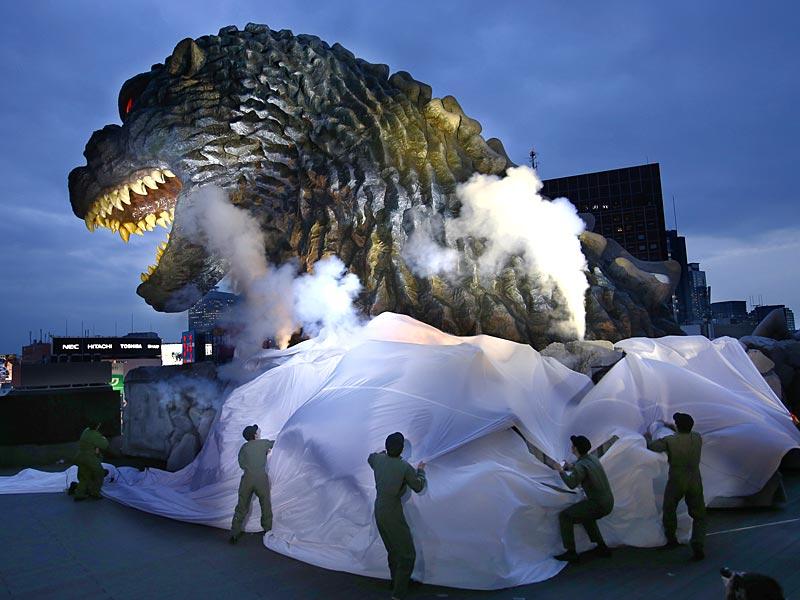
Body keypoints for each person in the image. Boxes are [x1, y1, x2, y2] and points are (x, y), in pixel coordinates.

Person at [368, 432, 427, 600]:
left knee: (392, 550)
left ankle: (396, 581)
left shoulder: (378, 460)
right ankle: (398, 594)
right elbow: (418, 487)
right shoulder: (404, 467)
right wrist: (421, 472)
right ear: (401, 449)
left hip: (379, 511)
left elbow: (370, 458)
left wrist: (382, 454)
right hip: (393, 514)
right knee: (407, 555)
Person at [646, 412, 706, 561]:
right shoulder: (697, 438)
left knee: (669, 509)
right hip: (695, 480)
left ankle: (671, 539)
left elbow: (652, 447)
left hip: (677, 480)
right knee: (699, 515)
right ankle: (698, 545)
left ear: (677, 426)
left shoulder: (670, 440)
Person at [554, 435, 614, 562]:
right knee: (586, 516)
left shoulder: (581, 465)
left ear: (575, 448)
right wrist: (570, 467)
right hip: (608, 501)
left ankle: (571, 552)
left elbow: (571, 484)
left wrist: (561, 471)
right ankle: (602, 547)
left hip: (598, 504)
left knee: (565, 516)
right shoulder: (592, 458)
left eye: (573, 445)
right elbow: (583, 467)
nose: (571, 446)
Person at [229, 424, 275, 544]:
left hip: (247, 479)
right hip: (261, 479)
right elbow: (276, 443)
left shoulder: (244, 447)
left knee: (241, 506)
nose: (258, 433)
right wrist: (264, 453)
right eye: (257, 432)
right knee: (265, 504)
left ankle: (234, 534)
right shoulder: (263, 443)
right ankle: (267, 530)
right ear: (255, 435)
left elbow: (242, 464)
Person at [69, 423, 110, 501]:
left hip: (80, 456)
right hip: (90, 457)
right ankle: (95, 493)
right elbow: (104, 445)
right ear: (97, 426)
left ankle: (79, 494)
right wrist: (104, 438)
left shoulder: (86, 431)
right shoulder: (95, 434)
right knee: (99, 474)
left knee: (84, 476)